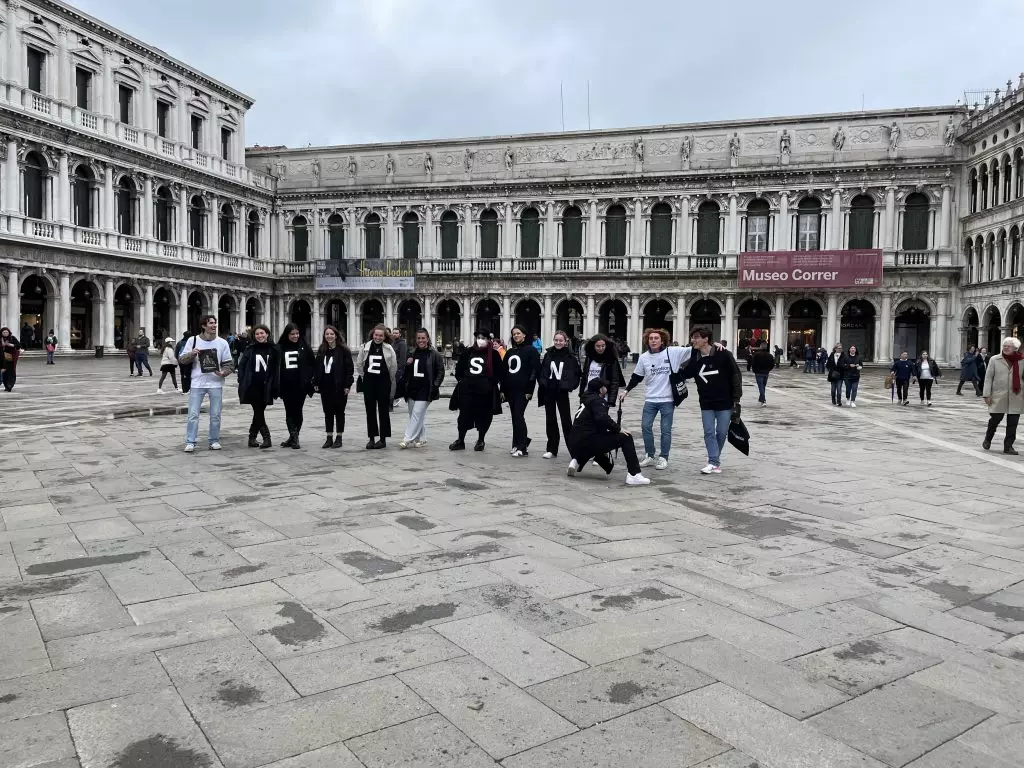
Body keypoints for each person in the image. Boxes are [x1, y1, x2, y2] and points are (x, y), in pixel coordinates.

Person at [618, 328, 694, 470]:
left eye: (656, 338)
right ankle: (650, 455)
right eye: (651, 338)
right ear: (647, 341)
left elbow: (694, 349)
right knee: (645, 427)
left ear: (662, 340)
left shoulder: (672, 352)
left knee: (665, 430)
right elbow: (637, 377)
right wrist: (626, 390)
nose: (653, 340)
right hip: (651, 399)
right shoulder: (644, 357)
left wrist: (715, 346)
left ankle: (664, 457)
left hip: (667, 399)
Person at [679, 326, 742, 474]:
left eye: (696, 337)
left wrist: (736, 398)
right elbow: (686, 373)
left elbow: (735, 375)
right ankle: (713, 461)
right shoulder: (694, 356)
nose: (692, 340)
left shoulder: (724, 354)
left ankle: (714, 460)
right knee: (708, 432)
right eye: (692, 337)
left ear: (705, 339)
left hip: (725, 401)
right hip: (706, 401)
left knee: (721, 433)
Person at [567, 378, 650, 486]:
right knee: (626, 437)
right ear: (600, 389)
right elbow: (602, 418)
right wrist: (618, 429)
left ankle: (576, 460)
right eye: (605, 386)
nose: (607, 388)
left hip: (574, 443)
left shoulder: (585, 400)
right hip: (587, 442)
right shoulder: (597, 401)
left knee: (594, 437)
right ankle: (634, 474)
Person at [177, 315, 233, 452]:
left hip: (216, 383)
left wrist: (223, 372)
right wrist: (192, 354)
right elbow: (182, 359)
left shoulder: (222, 343)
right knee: (193, 414)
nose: (214, 326)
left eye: (215, 323)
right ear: (203, 326)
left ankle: (214, 440)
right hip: (197, 383)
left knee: (215, 414)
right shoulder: (193, 340)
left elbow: (229, 364)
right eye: (211, 323)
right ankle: (190, 441)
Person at [450, 329, 504, 451]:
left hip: (485, 391)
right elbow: (459, 370)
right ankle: (460, 440)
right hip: (468, 390)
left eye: (483, 338)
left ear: (488, 340)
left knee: (484, 416)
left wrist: (491, 383)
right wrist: (463, 382)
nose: (481, 340)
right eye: (479, 337)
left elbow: (500, 372)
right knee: (463, 416)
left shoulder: (493, 354)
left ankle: (481, 440)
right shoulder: (467, 352)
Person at [538, 330, 583, 459]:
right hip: (549, 391)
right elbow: (543, 371)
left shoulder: (571, 357)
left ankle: (573, 449)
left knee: (566, 421)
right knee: (550, 420)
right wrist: (543, 382)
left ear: (565, 341)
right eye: (556, 340)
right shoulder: (548, 355)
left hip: (562, 392)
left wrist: (570, 386)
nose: (558, 342)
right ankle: (552, 449)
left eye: (560, 340)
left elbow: (577, 374)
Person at [400, 328, 445, 449]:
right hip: (412, 388)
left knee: (417, 414)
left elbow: (441, 371)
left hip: (426, 389)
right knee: (414, 415)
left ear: (428, 339)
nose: (421, 340)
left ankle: (407, 438)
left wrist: (435, 385)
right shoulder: (412, 352)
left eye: (423, 338)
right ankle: (422, 438)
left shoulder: (434, 354)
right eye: (418, 338)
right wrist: (407, 364)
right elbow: (406, 371)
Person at [237, 324, 279, 449]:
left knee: (259, 412)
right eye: (257, 334)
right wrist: (242, 380)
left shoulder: (274, 349)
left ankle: (252, 437)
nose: (260, 336)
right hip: (253, 385)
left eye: (262, 333)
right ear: (254, 336)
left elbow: (277, 367)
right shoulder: (250, 349)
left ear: (267, 334)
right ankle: (267, 438)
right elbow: (242, 366)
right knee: (259, 411)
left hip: (267, 386)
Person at [356, 324, 397, 449]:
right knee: (370, 411)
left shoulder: (389, 348)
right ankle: (371, 438)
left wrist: (389, 380)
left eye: (381, 335)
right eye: (376, 335)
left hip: (383, 382)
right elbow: (359, 364)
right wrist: (365, 377)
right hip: (369, 382)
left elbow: (393, 367)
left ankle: (383, 439)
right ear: (372, 335)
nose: (378, 337)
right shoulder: (365, 347)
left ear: (384, 337)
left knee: (383, 411)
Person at [312, 326, 353, 449]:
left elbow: (349, 369)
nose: (329, 336)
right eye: (327, 334)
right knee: (328, 412)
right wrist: (316, 382)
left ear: (336, 335)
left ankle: (339, 437)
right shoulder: (322, 349)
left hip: (339, 386)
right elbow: (317, 367)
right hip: (326, 386)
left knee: (340, 412)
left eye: (331, 334)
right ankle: (329, 437)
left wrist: (347, 385)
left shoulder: (343, 350)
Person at [502, 324, 540, 457]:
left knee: (518, 416)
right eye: (514, 334)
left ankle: (522, 447)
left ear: (524, 334)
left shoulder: (531, 351)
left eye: (518, 333)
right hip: (511, 389)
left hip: (523, 390)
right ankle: (516, 443)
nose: (516, 336)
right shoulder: (510, 352)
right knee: (514, 417)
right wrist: (503, 390)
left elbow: (534, 371)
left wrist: (530, 389)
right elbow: (504, 372)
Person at [982, 337, 1024, 455]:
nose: (1005, 347)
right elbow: (988, 377)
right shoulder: (995, 359)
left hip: (1016, 395)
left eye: (1008, 346)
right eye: (1004, 345)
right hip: (998, 395)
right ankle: (988, 439)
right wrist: (986, 394)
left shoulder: (1022, 360)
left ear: (1015, 348)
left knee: (1013, 423)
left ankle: (1008, 446)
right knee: (995, 419)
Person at [277, 322, 315, 449]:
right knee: (289, 411)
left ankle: (294, 437)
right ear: (287, 335)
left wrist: (309, 379)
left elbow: (312, 364)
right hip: (286, 384)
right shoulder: (280, 347)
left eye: (297, 333)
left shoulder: (304, 346)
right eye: (292, 334)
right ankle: (294, 437)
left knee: (298, 411)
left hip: (301, 385)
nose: (295, 336)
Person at [579, 334, 625, 405]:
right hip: (588, 393)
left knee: (600, 415)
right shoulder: (589, 358)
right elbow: (584, 376)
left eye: (603, 346)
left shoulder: (611, 359)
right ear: (593, 346)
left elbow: (615, 381)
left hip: (603, 395)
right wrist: (581, 393)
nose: (601, 348)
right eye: (598, 346)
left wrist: (611, 400)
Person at [390, 328, 408, 408]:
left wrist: (400, 369)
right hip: (392, 367)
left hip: (398, 368)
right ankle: (394, 398)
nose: (395, 334)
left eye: (396, 333)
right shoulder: (393, 343)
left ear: (400, 334)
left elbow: (403, 358)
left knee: (396, 384)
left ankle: (396, 398)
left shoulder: (402, 344)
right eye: (393, 333)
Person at [0, 327, 21, 392]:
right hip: (2, 358)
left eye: (7, 332)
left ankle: (10, 385)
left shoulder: (12, 338)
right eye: (4, 332)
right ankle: (6, 385)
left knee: (11, 372)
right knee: (4, 373)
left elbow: (18, 346)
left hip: (11, 358)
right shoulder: (0, 339)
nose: (5, 333)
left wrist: (10, 345)